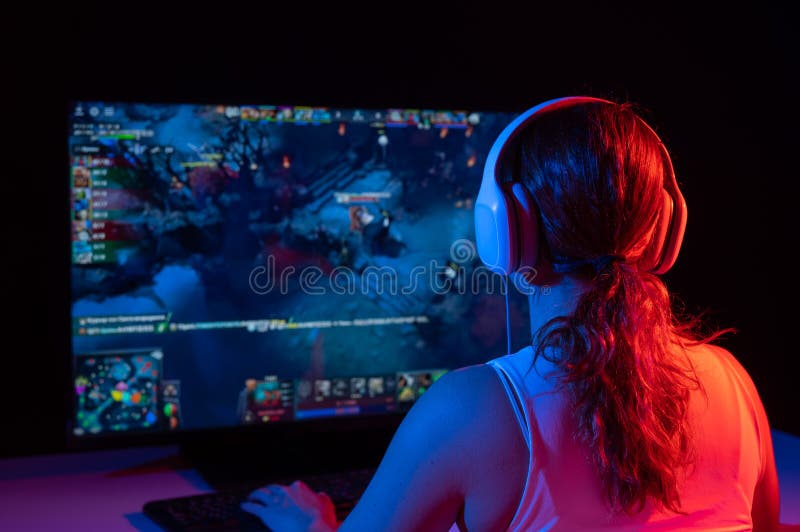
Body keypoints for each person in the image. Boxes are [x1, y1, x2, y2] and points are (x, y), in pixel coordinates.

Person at [241, 98, 780, 531]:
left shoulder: (471, 411)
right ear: (664, 229)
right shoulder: (732, 384)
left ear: (505, 234)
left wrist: (308, 523)